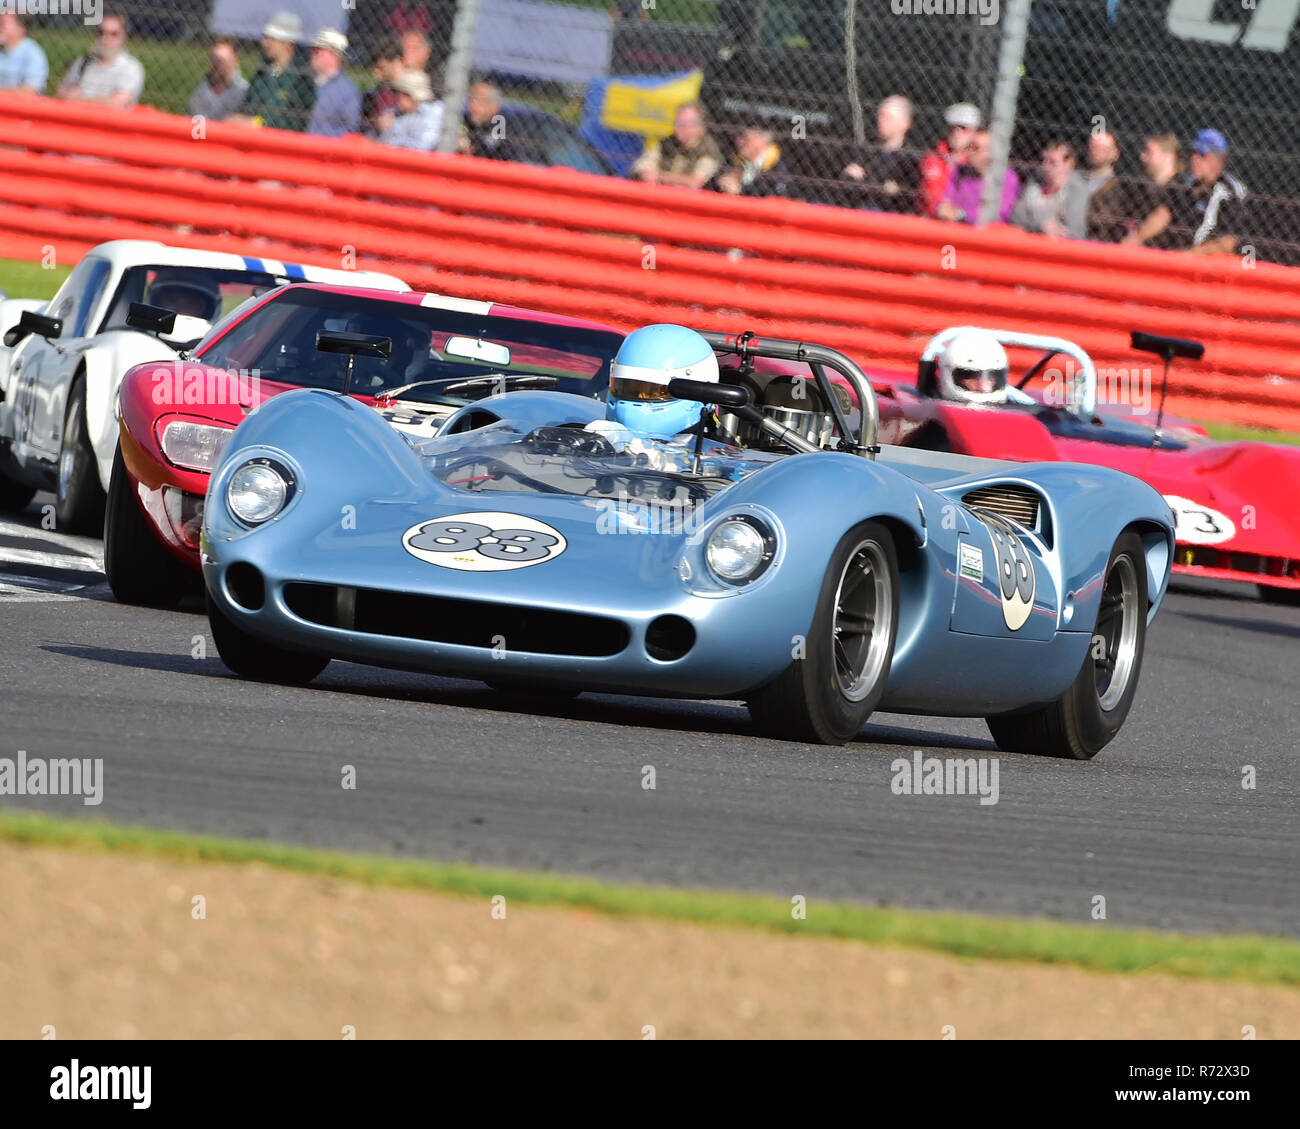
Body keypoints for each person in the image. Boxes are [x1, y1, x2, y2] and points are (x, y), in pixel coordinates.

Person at [588, 324, 721, 456]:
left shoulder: (715, 457)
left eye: (651, 391)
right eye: (626, 387)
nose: (637, 397)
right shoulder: (601, 437)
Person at [1125, 129, 1246, 255]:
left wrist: (1187, 254)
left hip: (1210, 262)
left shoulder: (1231, 191)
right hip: (1179, 255)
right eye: (1192, 153)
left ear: (1217, 160)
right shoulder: (1185, 183)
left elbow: (1228, 242)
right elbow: (1164, 213)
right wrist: (1136, 238)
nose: (1194, 158)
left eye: (1201, 154)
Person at [230, 11, 316, 132]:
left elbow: (296, 122)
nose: (264, 43)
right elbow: (247, 106)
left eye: (271, 39)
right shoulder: (262, 72)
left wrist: (259, 123)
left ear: (287, 44)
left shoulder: (302, 78)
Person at [842, 95, 919, 213]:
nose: (881, 121)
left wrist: (864, 181)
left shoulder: (910, 160)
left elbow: (905, 197)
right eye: (880, 115)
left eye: (888, 117)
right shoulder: (867, 150)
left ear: (905, 124)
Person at [57, 11, 144, 108]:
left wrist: (79, 99)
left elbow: (118, 103)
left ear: (124, 37)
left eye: (114, 34)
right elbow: (61, 94)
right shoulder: (83, 62)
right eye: (101, 33)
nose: (106, 38)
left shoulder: (131, 67)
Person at [629, 102, 724, 189]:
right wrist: (647, 172)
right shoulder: (667, 142)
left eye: (686, 123)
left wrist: (660, 176)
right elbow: (643, 165)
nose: (680, 127)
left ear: (700, 127)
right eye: (678, 122)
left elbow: (695, 181)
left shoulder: (709, 149)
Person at [1011, 138, 1089, 238]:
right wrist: (1041, 224)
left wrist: (1031, 218)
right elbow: (1016, 215)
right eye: (1044, 160)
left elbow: (1073, 227)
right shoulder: (1035, 182)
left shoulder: (1077, 189)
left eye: (1052, 162)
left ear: (1069, 164)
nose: (1045, 166)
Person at [937, 129, 1019, 224]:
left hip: (986, 235)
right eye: (970, 147)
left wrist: (961, 214)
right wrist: (946, 210)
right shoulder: (960, 171)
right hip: (955, 230)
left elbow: (999, 214)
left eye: (976, 148)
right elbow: (946, 202)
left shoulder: (1007, 178)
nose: (970, 152)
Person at [918, 102, 980, 219]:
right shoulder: (933, 158)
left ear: (974, 132)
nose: (957, 133)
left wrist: (958, 213)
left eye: (963, 128)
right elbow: (931, 193)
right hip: (931, 220)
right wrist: (941, 209)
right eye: (953, 128)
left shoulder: (976, 164)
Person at [929, 330, 1009, 406]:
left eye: (990, 377)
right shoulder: (929, 411)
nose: (982, 386)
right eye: (971, 376)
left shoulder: (1015, 408)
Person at [306, 28, 361, 137]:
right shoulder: (305, 82)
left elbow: (349, 129)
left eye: (317, 50)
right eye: (312, 50)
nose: (312, 54)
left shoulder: (348, 91)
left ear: (333, 54)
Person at [714, 127, 788, 197]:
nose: (739, 142)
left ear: (760, 141)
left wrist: (740, 191)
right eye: (739, 137)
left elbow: (775, 199)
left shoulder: (776, 167)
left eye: (745, 138)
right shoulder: (732, 160)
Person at [380, 70, 444, 151]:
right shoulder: (394, 113)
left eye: (402, 93)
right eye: (396, 93)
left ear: (412, 95)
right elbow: (381, 143)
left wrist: (393, 142)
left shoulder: (433, 111)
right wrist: (385, 130)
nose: (397, 97)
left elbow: (424, 146)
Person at [188, 38, 248, 122]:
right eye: (215, 59)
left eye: (223, 61)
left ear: (236, 61)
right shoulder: (201, 91)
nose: (217, 64)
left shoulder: (244, 92)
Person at [1084, 130, 1128, 242]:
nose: (1095, 151)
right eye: (1093, 146)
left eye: (1102, 148)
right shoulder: (1077, 178)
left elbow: (1106, 221)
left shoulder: (1117, 188)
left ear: (1115, 153)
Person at [461, 81, 521, 160]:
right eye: (471, 100)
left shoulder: (502, 125)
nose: (473, 106)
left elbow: (492, 153)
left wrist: (469, 149)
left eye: (481, 102)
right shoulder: (463, 120)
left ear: (494, 106)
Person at [362, 36, 405, 138]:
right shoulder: (379, 91)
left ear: (397, 62)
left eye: (382, 68)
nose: (375, 73)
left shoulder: (411, 91)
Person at [0, 11, 48, 94]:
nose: (0, 28)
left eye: (3, 24)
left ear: (21, 28)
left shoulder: (33, 53)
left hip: (17, 105)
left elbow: (30, 91)